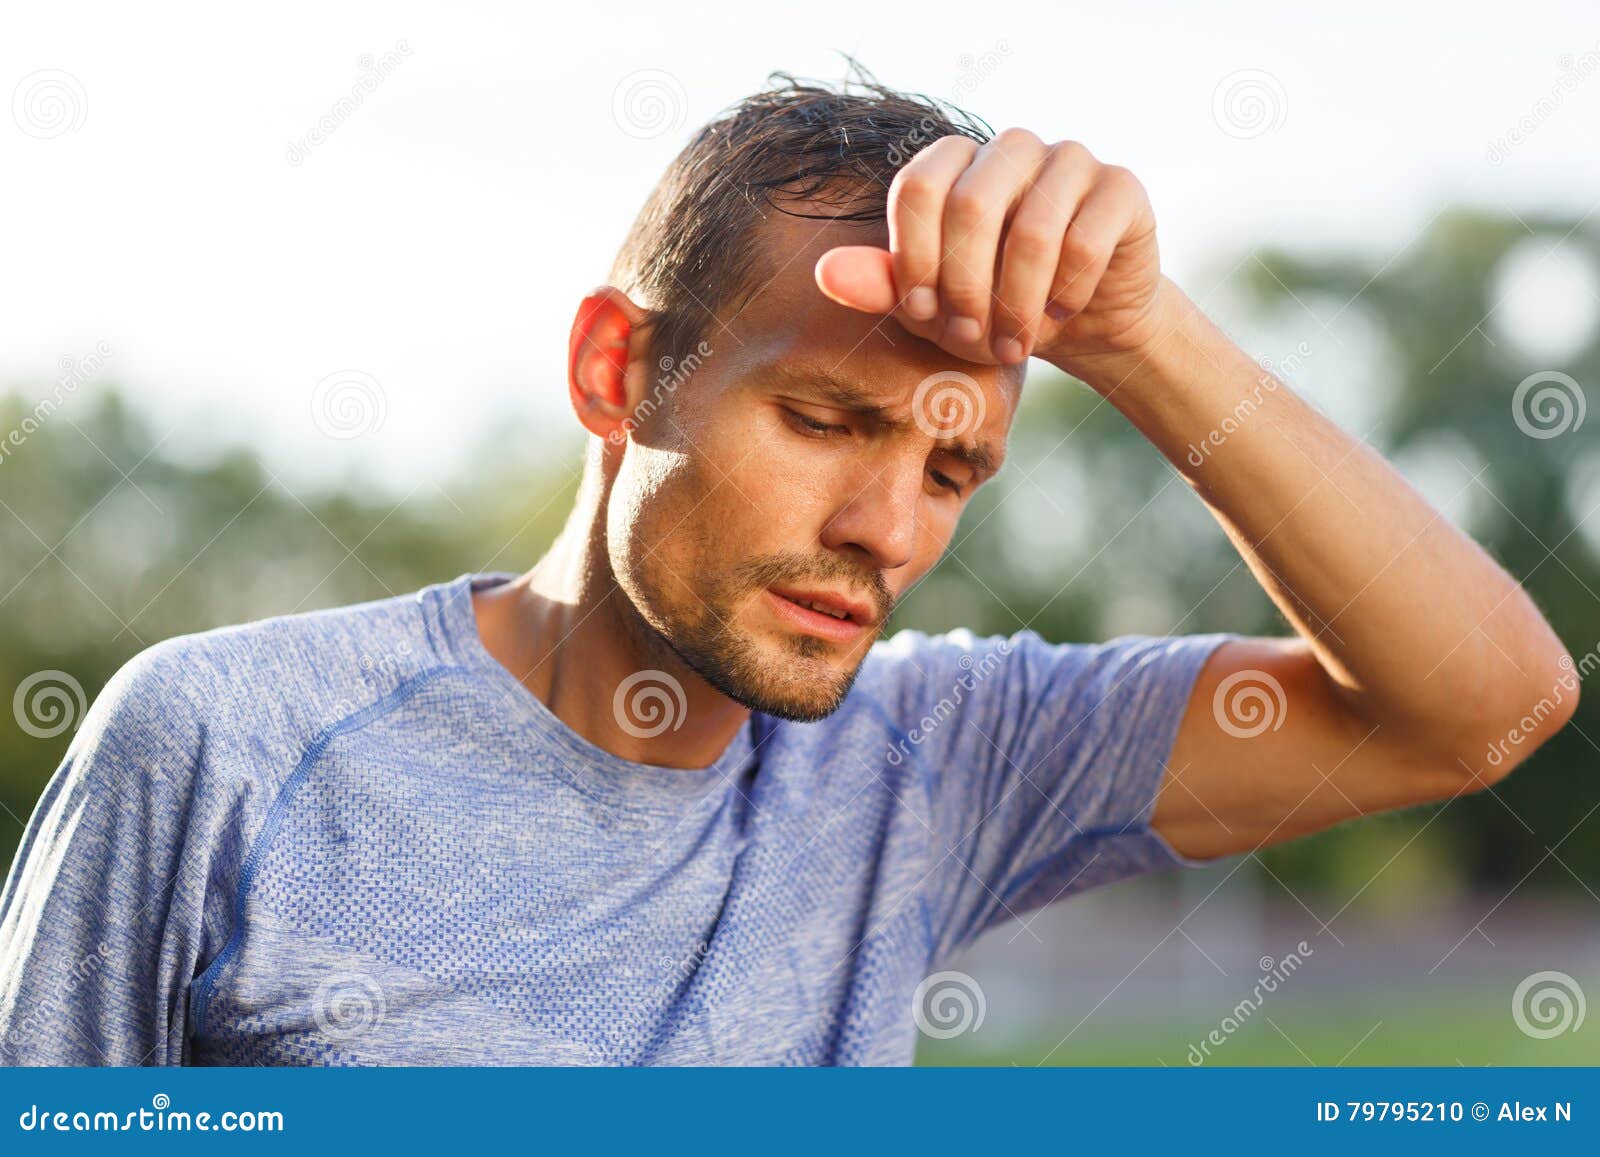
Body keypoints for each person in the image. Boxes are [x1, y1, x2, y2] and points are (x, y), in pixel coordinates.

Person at [0, 70, 1574, 1066]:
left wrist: (1139, 337)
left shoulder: (934, 762)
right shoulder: (222, 740)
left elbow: (1485, 708)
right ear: (620, 370)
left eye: (953, 467)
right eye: (828, 420)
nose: (891, 533)